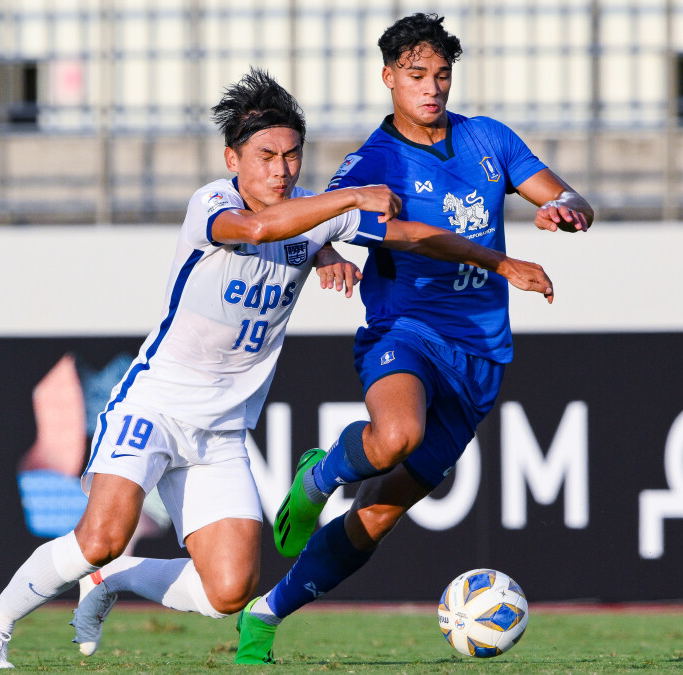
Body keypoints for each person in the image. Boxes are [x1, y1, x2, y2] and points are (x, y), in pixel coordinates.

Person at [0, 67, 553, 669]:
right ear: (233, 158)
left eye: (292, 156)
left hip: (221, 432)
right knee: (99, 537)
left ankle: (113, 580)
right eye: (265, 155)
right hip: (156, 405)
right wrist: (346, 202)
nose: (280, 170)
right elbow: (253, 229)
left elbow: (411, 235)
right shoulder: (213, 203)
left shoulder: (313, 216)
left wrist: (500, 263)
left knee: (228, 593)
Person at [235, 13, 593, 664]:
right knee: (395, 433)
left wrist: (564, 207)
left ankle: (267, 611)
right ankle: (320, 477)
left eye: (441, 75)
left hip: (481, 356)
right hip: (406, 331)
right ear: (389, 78)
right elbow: (387, 232)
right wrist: (497, 261)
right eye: (416, 75)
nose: (432, 88)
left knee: (377, 514)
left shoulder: (489, 139)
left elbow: (569, 194)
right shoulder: (375, 163)